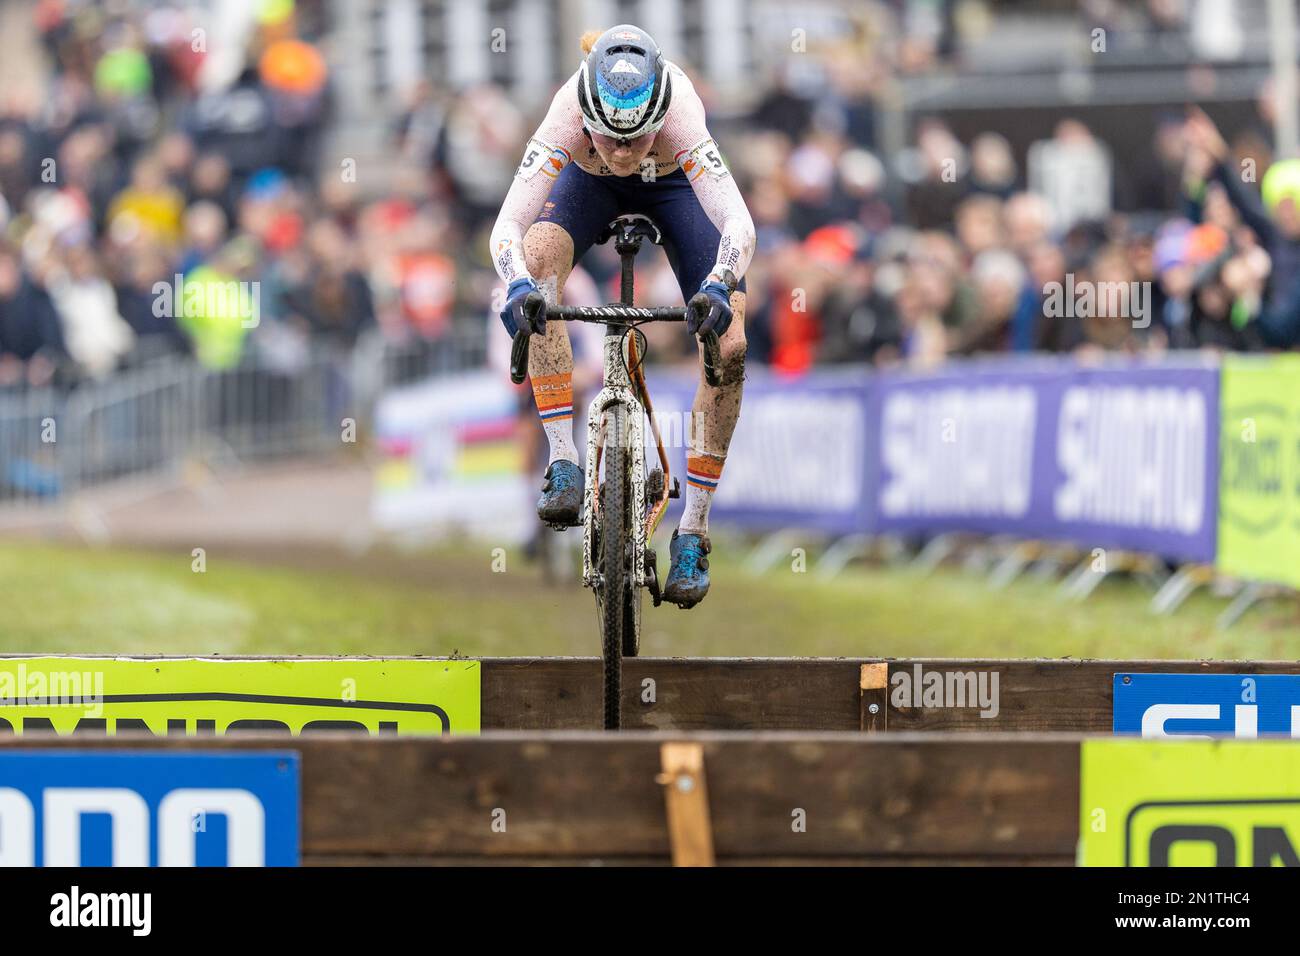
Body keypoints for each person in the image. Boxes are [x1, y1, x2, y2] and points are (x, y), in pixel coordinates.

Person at [488, 25, 756, 608]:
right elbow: (506, 228)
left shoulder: (682, 109)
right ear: (586, 117)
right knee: (536, 263)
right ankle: (563, 461)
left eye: (637, 142)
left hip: (676, 189)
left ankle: (693, 531)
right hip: (589, 190)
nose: (624, 154)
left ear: (659, 116)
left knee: (731, 342)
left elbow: (740, 224)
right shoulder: (565, 108)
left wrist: (716, 284)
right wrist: (517, 287)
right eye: (609, 140)